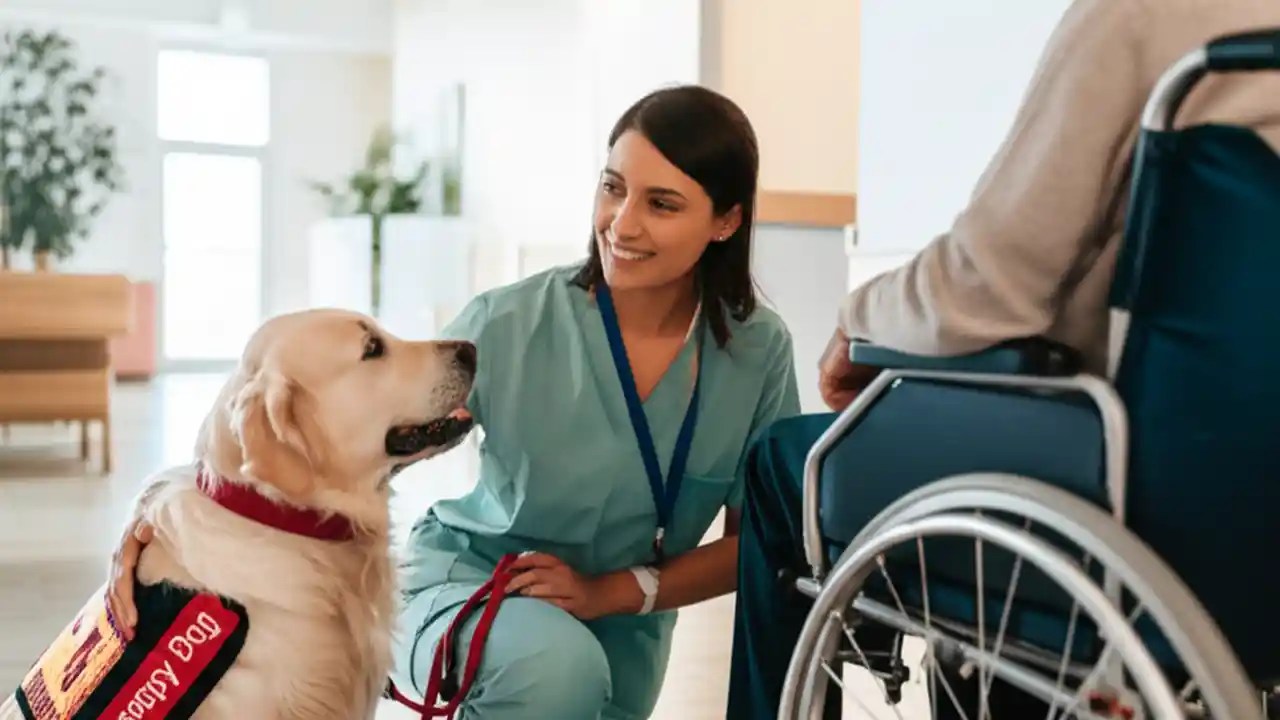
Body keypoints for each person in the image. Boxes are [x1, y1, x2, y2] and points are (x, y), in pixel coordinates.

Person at [107, 85, 801, 720]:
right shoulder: (507, 325)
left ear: (726, 221)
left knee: (574, 675)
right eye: (613, 188)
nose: (621, 223)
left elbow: (763, 543)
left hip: (622, 634)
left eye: (662, 203)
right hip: (471, 588)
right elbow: (313, 437)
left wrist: (617, 592)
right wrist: (168, 507)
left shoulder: (758, 351)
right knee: (556, 671)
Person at [727, 0, 1280, 717]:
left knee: (784, 462)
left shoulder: (1145, 14)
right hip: (1256, 517)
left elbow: (987, 289)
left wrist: (855, 321)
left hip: (1138, 502)